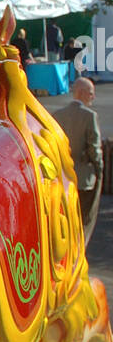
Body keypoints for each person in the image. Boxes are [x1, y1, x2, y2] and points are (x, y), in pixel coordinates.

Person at [56, 75, 104, 242]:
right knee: (84, 220)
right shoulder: (89, 116)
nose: (93, 97)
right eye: (91, 93)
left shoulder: (57, 115)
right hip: (85, 179)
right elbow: (94, 148)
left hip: (64, 179)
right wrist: (99, 168)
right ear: (82, 93)